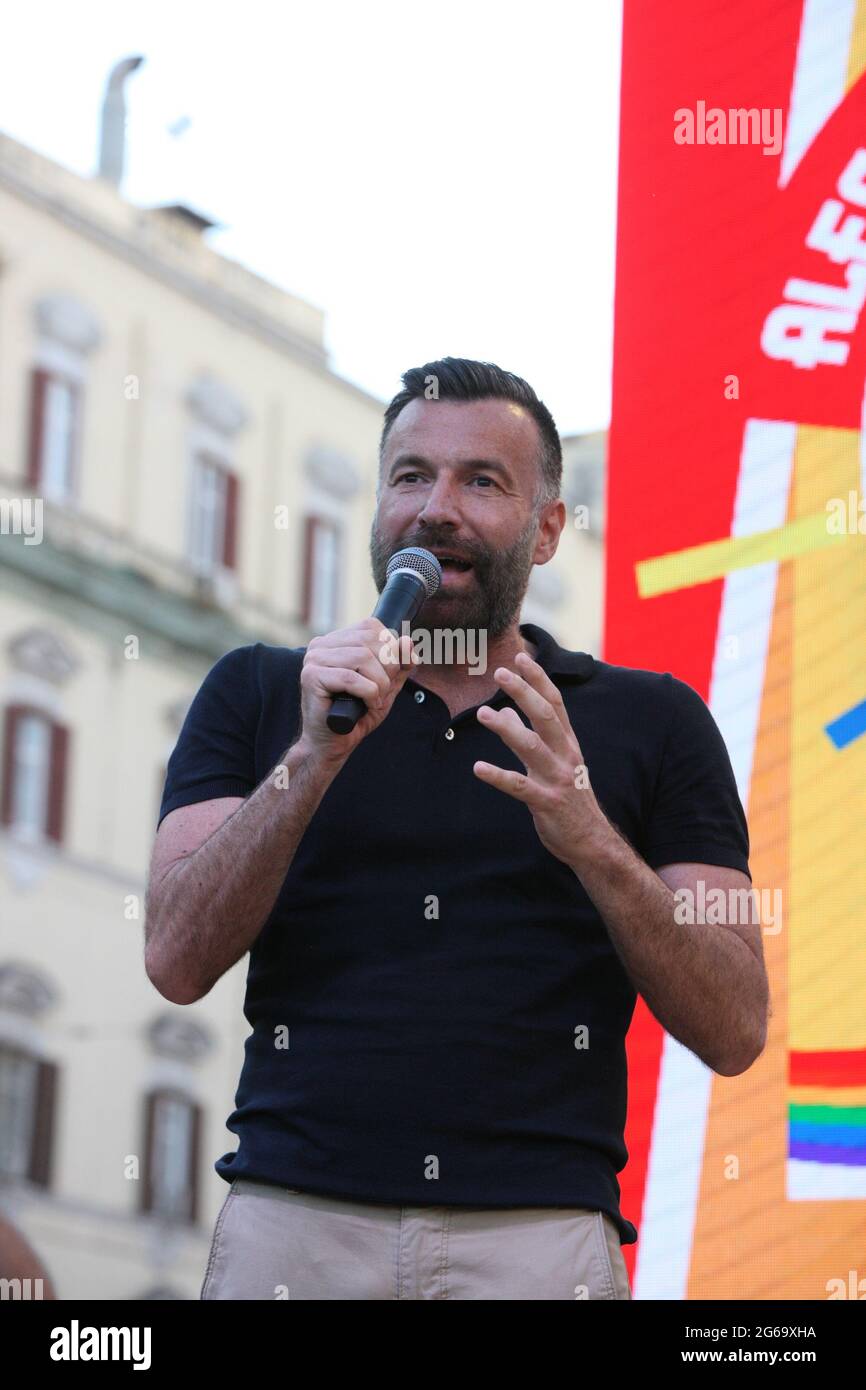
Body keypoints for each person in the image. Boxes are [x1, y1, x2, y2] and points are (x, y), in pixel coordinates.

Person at [145, 357, 768, 1301]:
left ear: (548, 529)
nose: (438, 509)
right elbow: (174, 958)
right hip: (296, 1221)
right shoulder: (265, 690)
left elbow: (735, 1023)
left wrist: (592, 837)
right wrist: (312, 758)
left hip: (539, 1233)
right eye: (410, 476)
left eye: (482, 481)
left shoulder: (654, 720)